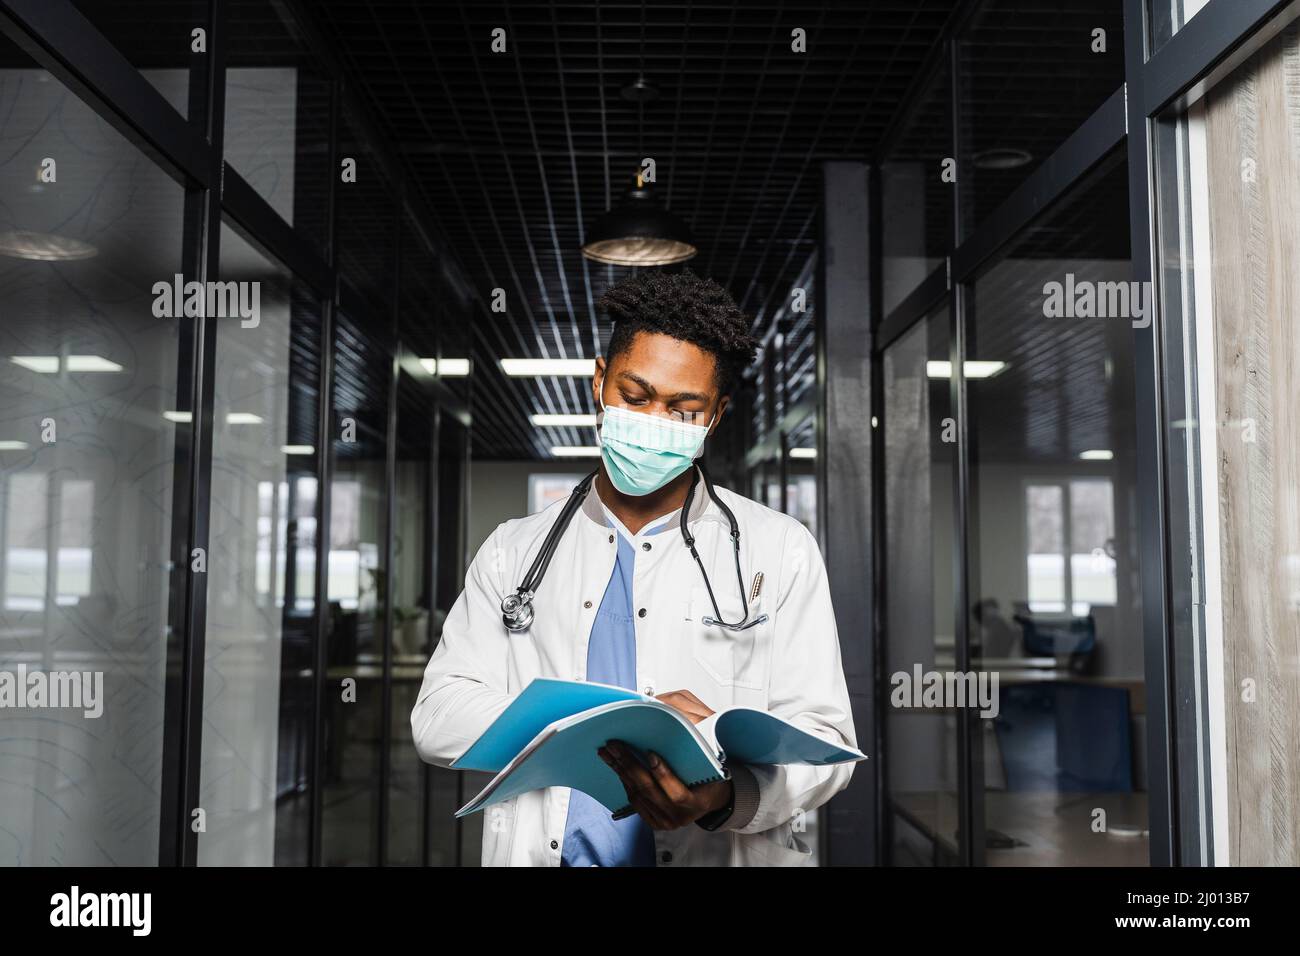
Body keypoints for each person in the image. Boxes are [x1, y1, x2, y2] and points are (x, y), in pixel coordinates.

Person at [411, 269, 857, 866]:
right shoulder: (512, 551)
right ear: (601, 381)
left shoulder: (780, 549)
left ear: (715, 416)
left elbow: (826, 747)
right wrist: (597, 722)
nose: (653, 423)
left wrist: (723, 795)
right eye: (635, 395)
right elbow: (437, 720)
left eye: (683, 408)